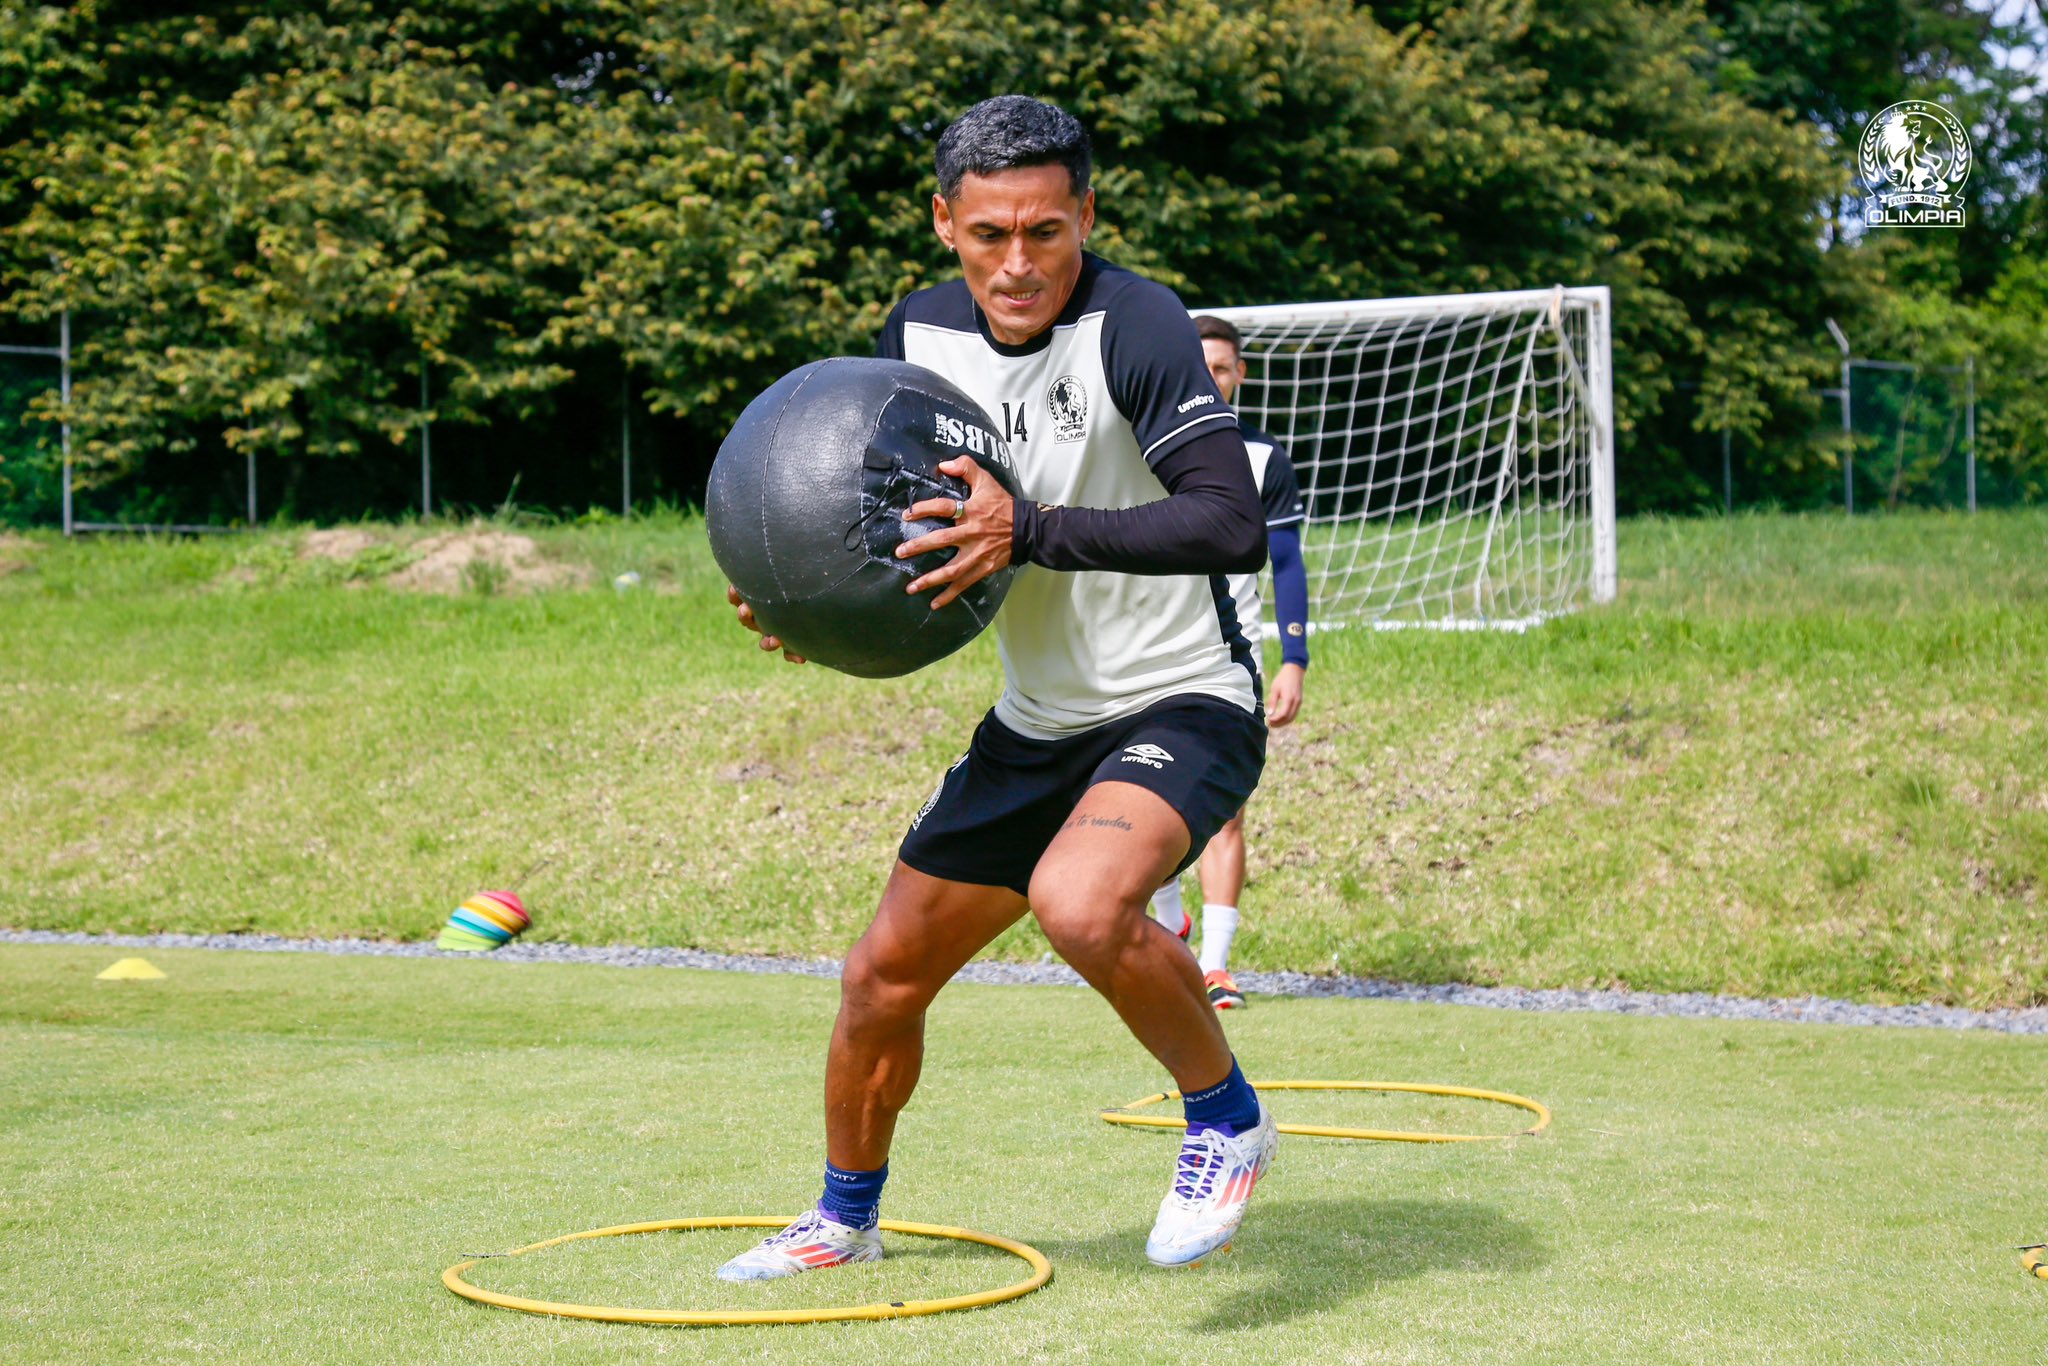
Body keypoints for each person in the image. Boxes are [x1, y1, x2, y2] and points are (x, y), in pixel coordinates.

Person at [721, 95, 1277, 1277]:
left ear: (1084, 212)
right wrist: (800, 604)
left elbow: (1229, 519)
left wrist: (1029, 529)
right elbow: (881, 525)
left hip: (1181, 696)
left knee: (1079, 902)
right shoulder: (915, 340)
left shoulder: (1138, 324)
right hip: (1035, 723)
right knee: (880, 974)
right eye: (987, 235)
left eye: (1043, 231)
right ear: (943, 222)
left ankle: (1225, 1122)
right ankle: (844, 1217)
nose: (1016, 263)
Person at [1148, 316, 1310, 1011]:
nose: (1210, 379)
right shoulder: (1140, 447)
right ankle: (1168, 938)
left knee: (1226, 814)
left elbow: (1287, 561)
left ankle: (1212, 968)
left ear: (1239, 374)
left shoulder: (1263, 459)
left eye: (1223, 368)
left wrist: (1295, 658)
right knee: (1144, 812)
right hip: (1142, 657)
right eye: (1199, 366)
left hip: (1228, 663)